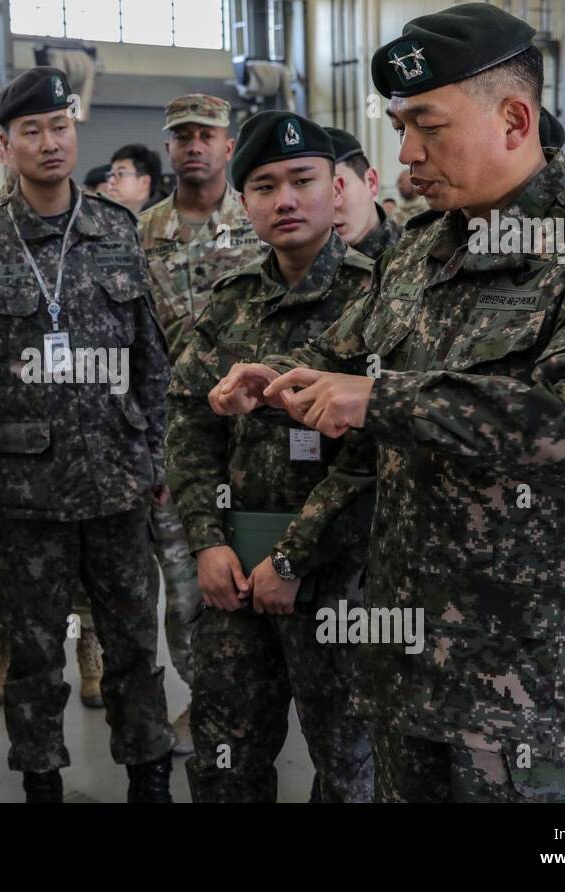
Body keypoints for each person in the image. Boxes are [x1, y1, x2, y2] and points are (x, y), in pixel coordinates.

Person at [211, 2, 565, 802]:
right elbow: (347, 362)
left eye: (427, 127)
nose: (405, 155)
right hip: (412, 679)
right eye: (400, 127)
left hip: (539, 701)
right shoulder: (422, 254)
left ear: (514, 118)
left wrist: (381, 398)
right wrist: (275, 380)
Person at [0, 66, 175, 802]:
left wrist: (155, 454)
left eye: (60, 127)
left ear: (74, 132)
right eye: (30, 131)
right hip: (22, 492)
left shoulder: (117, 228)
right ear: (6, 146)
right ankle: (40, 781)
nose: (49, 142)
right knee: (34, 654)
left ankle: (149, 778)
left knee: (135, 646)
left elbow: (150, 359)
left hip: (118, 483)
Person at [167, 111, 376, 802]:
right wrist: (205, 542)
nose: (284, 199)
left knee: (351, 767)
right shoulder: (229, 305)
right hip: (235, 577)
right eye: (263, 186)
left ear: (336, 186)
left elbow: (377, 455)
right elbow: (191, 427)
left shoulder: (381, 300)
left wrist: (293, 558)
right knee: (227, 760)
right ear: (245, 200)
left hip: (343, 579)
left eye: (301, 180)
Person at [138, 93, 264, 754]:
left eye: (206, 134)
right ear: (169, 147)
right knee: (187, 579)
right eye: (182, 134)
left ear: (226, 144)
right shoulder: (141, 233)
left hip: (260, 437)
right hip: (174, 440)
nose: (194, 145)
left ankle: (267, 694)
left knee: (267, 570)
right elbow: (130, 349)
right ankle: (205, 696)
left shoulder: (258, 221)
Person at [323, 127, 402, 260]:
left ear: (371, 182)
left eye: (337, 188)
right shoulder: (302, 265)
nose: (330, 206)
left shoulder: (419, 253)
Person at [108, 143, 165, 214]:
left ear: (144, 182)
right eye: (111, 174)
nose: (111, 181)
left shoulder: (167, 218)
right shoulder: (107, 215)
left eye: (120, 174)